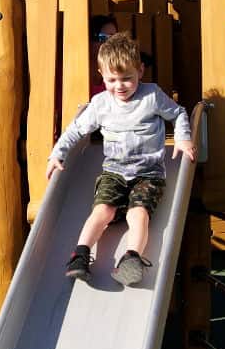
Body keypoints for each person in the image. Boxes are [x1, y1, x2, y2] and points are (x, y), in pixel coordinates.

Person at [46, 33, 196, 285]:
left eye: (127, 78)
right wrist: (57, 154)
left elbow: (179, 113)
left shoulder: (151, 96)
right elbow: (75, 130)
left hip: (148, 174)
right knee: (102, 210)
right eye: (112, 79)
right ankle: (80, 254)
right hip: (114, 172)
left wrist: (182, 138)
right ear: (101, 75)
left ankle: (132, 258)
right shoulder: (101, 104)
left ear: (140, 70)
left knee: (138, 213)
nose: (120, 86)